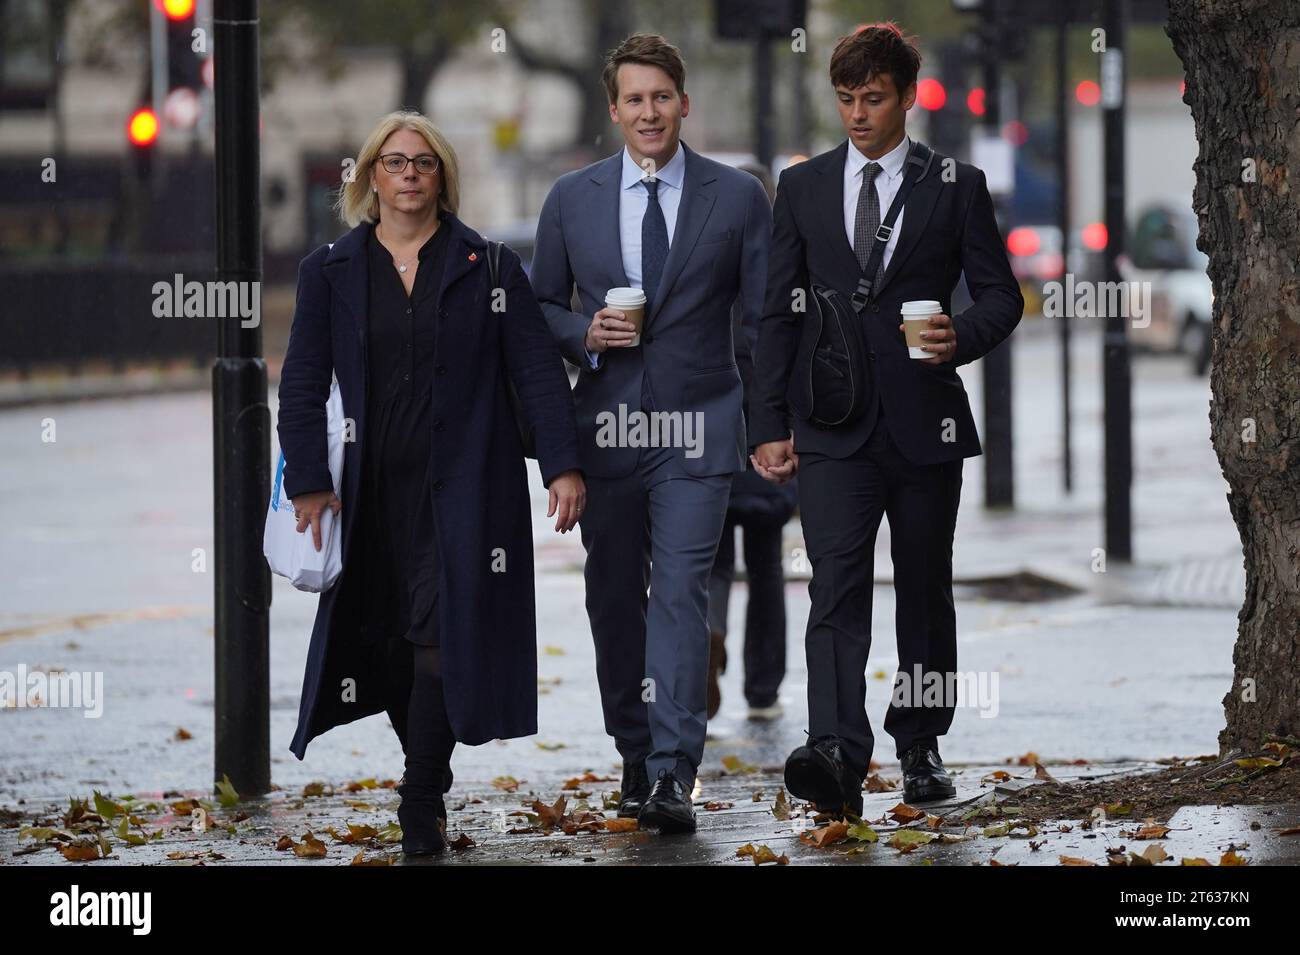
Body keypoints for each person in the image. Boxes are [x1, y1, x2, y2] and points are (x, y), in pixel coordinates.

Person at [278, 110, 585, 856]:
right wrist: (308, 481)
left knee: (440, 638)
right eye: (393, 161)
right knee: (385, 644)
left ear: (442, 177)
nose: (409, 173)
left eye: (423, 162)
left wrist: (563, 464)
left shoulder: (490, 267)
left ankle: (421, 797)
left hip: (467, 491)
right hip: (368, 488)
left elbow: (538, 374)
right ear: (369, 177)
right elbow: (302, 379)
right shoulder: (330, 269)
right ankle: (425, 761)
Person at [749, 23, 1023, 816]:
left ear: (908, 96)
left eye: (874, 98)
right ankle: (836, 748)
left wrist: (960, 334)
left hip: (925, 421)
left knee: (926, 589)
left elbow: (1001, 294)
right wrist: (768, 420)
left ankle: (921, 743)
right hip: (830, 424)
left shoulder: (955, 184)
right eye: (846, 99)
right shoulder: (802, 188)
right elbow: (776, 314)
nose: (859, 114)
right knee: (833, 586)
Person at [531, 34, 772, 833]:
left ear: (684, 102)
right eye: (633, 99)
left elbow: (767, 320)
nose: (648, 112)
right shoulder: (571, 198)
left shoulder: (735, 197)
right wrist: (584, 333)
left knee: (680, 590)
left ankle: (674, 772)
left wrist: (770, 428)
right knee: (612, 597)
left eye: (661, 97)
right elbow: (538, 309)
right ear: (614, 110)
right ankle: (633, 749)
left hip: (699, 428)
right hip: (606, 425)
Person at [705, 162, 796, 723]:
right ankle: (762, 687)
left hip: (713, 438)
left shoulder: (707, 264)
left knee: (709, 560)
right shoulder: (782, 271)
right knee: (766, 569)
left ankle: (709, 634)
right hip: (767, 439)